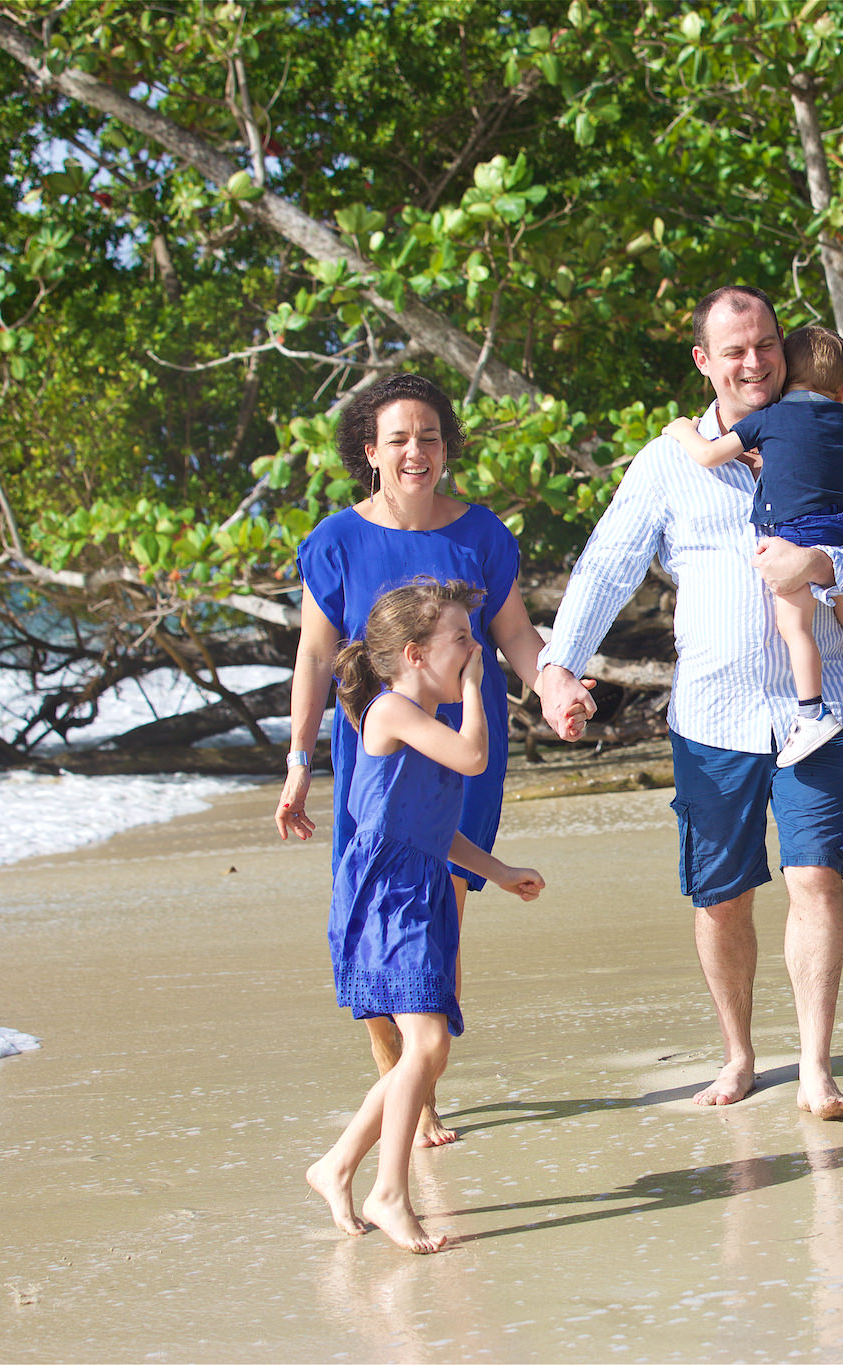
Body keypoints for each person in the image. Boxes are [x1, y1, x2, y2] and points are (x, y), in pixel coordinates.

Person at [536, 286, 843, 1117]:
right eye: (734, 350)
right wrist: (559, 666)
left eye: (766, 344)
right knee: (721, 893)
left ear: (784, 347)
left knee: (817, 880)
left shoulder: (826, 430)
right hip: (711, 716)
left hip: (820, 711)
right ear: (704, 361)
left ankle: (815, 1064)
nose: (754, 362)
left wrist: (822, 569)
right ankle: (739, 1055)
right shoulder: (671, 458)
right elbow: (607, 564)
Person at [274, 373, 545, 1148]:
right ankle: (404, 1083)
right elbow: (315, 657)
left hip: (468, 752)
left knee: (442, 912)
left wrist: (552, 686)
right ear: (371, 451)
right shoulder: (335, 541)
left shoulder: (482, 534)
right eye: (399, 438)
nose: (416, 451)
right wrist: (298, 761)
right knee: (383, 918)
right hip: (378, 753)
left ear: (445, 446)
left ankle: (421, 1075)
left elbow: (517, 633)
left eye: (428, 436)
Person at [303, 577, 544, 1252]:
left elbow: (434, 828)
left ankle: (338, 1164)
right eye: (462, 640)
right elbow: (475, 755)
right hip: (384, 898)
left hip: (421, 889)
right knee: (428, 1046)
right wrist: (476, 686)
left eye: (473, 639)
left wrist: (499, 870)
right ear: (414, 655)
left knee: (426, 1052)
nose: (474, 649)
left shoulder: (424, 723)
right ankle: (388, 1192)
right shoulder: (389, 713)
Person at [663, 325, 843, 765]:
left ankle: (811, 713)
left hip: (796, 535)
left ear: (786, 376)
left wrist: (681, 431)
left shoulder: (770, 418)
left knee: (794, 628)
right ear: (842, 389)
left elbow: (709, 455)